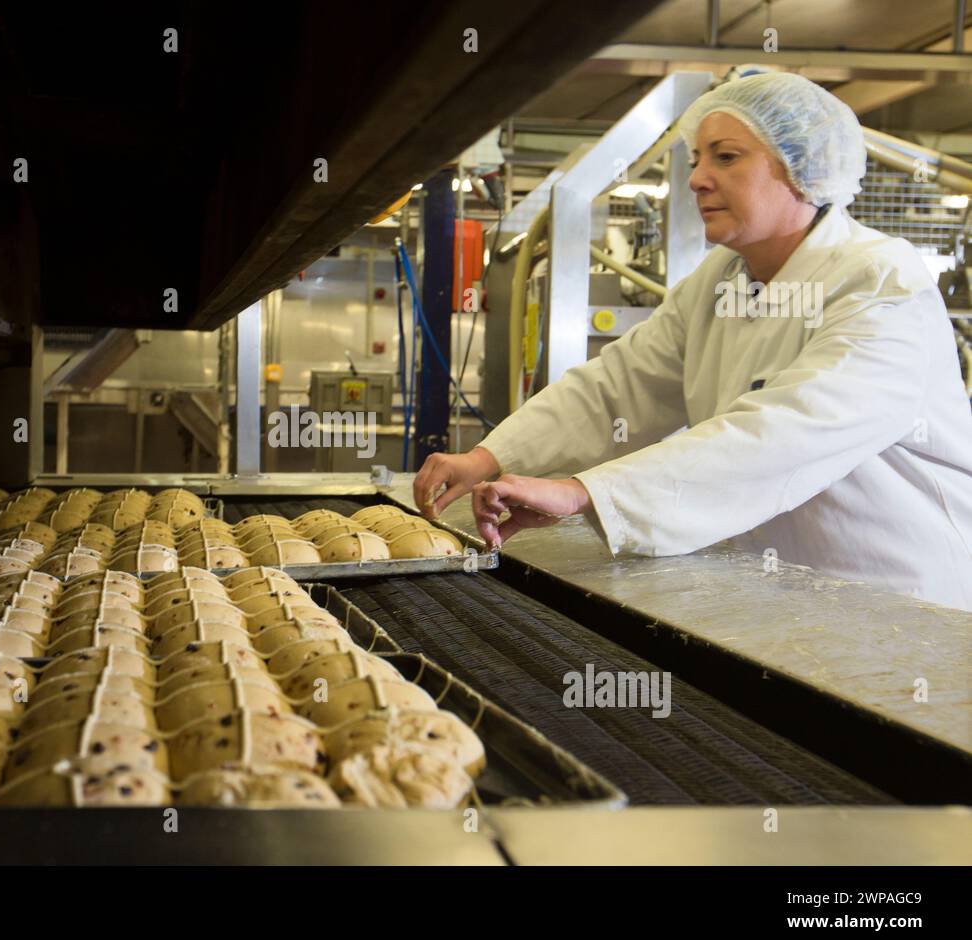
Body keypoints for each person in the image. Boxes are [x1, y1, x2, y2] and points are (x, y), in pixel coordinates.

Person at [414, 72, 972, 611]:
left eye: (726, 157)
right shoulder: (720, 280)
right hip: (784, 599)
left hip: (900, 603)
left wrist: (584, 493)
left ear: (802, 170)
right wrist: (488, 458)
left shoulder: (880, 283)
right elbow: (616, 390)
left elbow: (785, 431)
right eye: (697, 158)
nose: (697, 178)